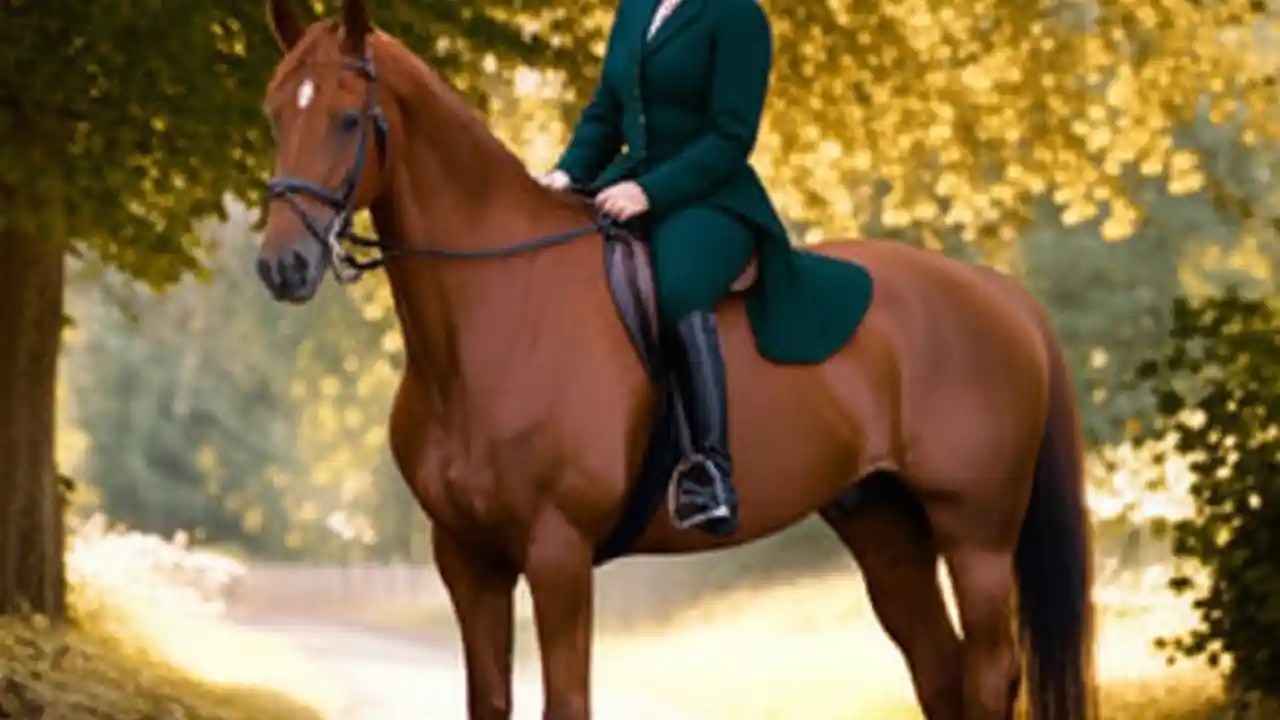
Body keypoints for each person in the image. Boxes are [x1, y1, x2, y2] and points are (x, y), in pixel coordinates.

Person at [535, 0, 785, 537]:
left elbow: (731, 137)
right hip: (626, 184)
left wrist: (650, 190)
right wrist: (564, 175)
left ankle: (710, 471)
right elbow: (606, 111)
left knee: (675, 290)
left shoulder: (737, 15)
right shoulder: (635, 10)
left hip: (713, 198)